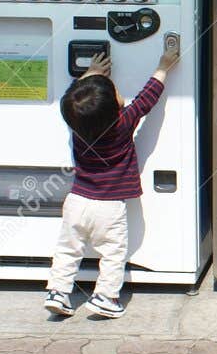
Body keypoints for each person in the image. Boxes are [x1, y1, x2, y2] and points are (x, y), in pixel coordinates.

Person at [45, 34, 179, 319]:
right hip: (109, 207)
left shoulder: (78, 126)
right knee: (112, 253)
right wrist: (163, 66)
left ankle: (57, 292)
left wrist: (90, 73)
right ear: (117, 106)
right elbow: (146, 99)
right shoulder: (122, 123)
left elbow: (72, 101)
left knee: (68, 249)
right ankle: (105, 297)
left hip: (77, 201)